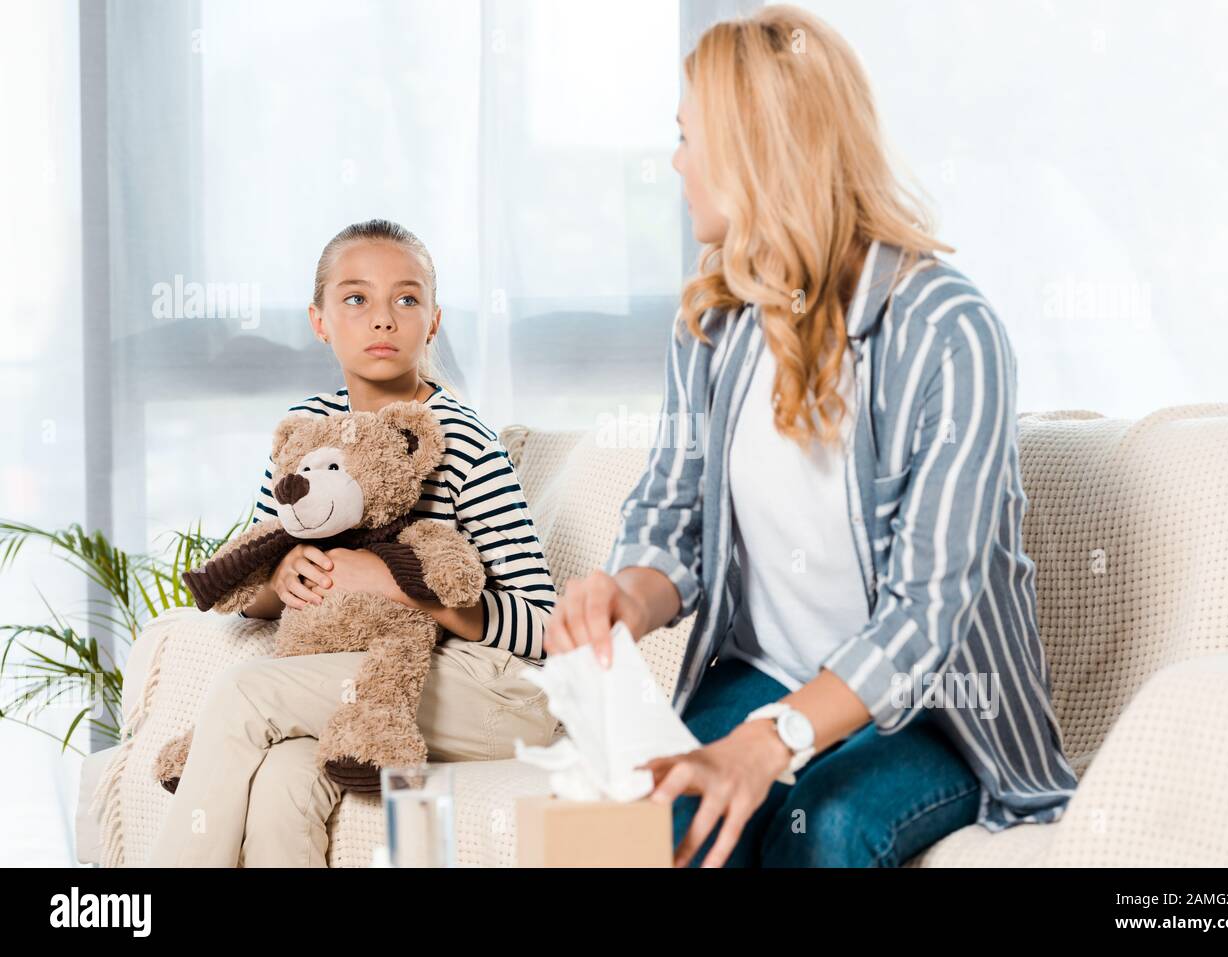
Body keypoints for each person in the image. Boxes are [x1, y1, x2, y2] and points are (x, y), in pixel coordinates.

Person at [543, 5, 1078, 868]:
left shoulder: (948, 330)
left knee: (828, 829)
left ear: (755, 148)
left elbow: (926, 615)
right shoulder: (714, 317)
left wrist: (773, 741)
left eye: (688, 138)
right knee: (660, 823)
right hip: (762, 672)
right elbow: (672, 521)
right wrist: (625, 600)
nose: (675, 163)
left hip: (933, 711)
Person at [149, 219, 560, 867]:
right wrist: (282, 575)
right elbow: (246, 591)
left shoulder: (462, 441)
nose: (382, 320)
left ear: (433, 320)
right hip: (359, 683)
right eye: (355, 299)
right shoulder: (307, 431)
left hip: (493, 690)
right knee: (284, 774)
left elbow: (543, 626)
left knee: (245, 692)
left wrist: (394, 581)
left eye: (406, 299)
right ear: (319, 321)